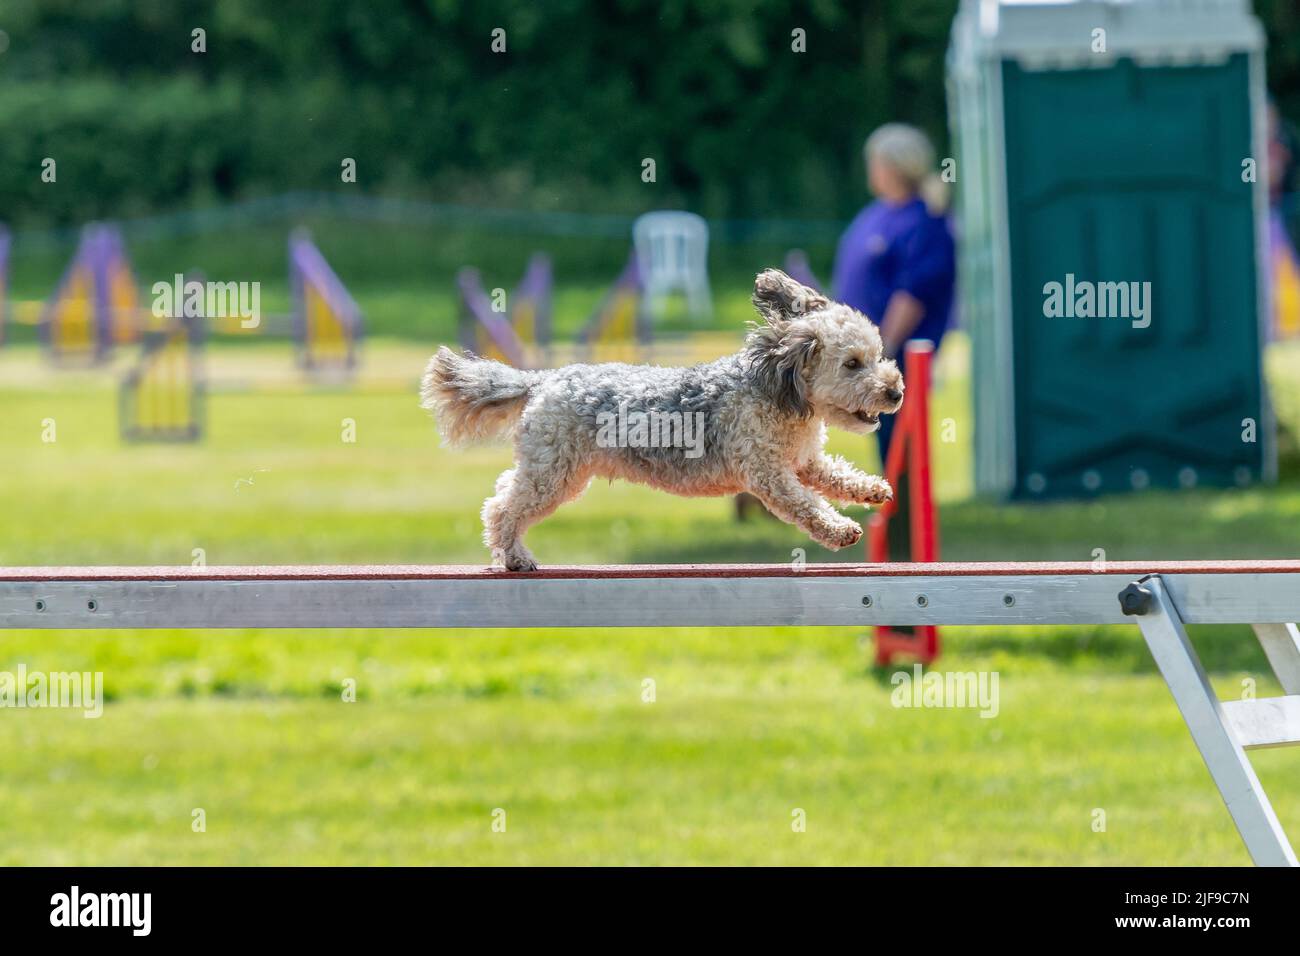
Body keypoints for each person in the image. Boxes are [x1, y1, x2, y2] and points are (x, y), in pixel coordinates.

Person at [832, 123, 956, 463]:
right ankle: (893, 505)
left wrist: (883, 349)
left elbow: (914, 290)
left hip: (896, 351)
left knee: (899, 432)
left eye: (875, 161)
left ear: (895, 167)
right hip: (867, 349)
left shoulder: (924, 221)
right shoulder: (876, 214)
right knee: (881, 432)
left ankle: (904, 508)